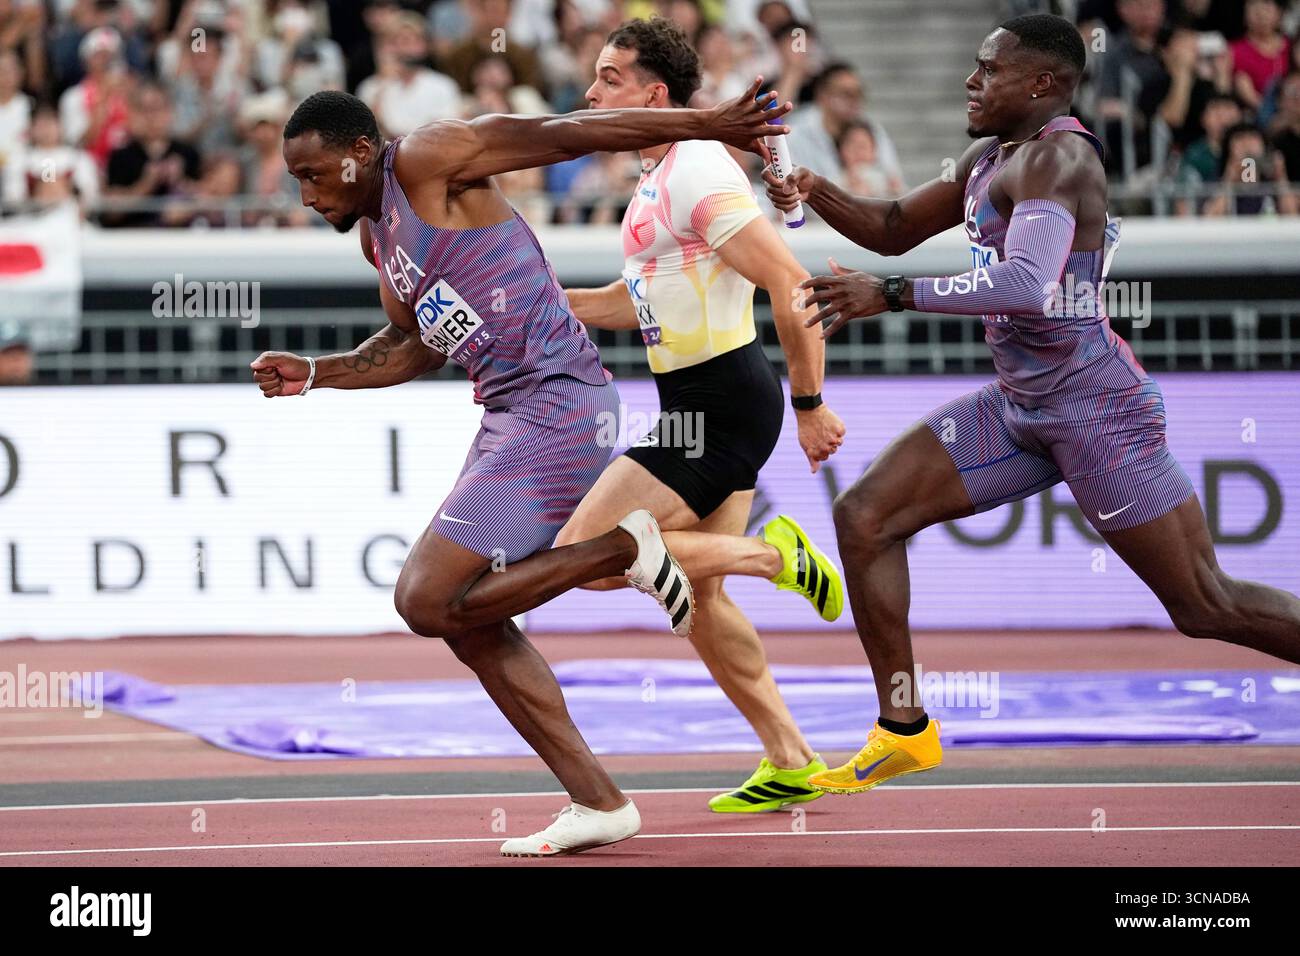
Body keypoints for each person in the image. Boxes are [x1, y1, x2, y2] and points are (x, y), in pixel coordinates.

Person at [251, 83, 800, 856]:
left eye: (313, 175)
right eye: (296, 180)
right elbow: (411, 347)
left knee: (423, 596)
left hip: (561, 407)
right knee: (466, 621)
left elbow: (567, 133)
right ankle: (599, 801)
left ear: (360, 153)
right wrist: (316, 371)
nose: (305, 196)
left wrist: (710, 124)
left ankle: (623, 548)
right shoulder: (381, 238)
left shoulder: (433, 160)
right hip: (511, 414)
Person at [763, 13, 1300, 795]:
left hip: (1094, 410)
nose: (971, 82)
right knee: (865, 517)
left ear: (1041, 83)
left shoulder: (1061, 161)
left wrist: (895, 295)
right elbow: (888, 228)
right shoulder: (994, 157)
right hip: (1022, 406)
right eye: (975, 67)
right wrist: (814, 189)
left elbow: (1027, 287)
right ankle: (904, 729)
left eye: (987, 70)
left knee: (1205, 605)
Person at [562, 16, 846, 814]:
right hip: (700, 400)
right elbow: (637, 300)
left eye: (609, 78)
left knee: (585, 554)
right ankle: (790, 755)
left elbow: (791, 283)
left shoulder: (693, 167)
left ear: (656, 94)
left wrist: (811, 404)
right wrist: (548, 306)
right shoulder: (657, 179)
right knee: (699, 603)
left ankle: (775, 557)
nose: (591, 92)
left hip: (719, 405)